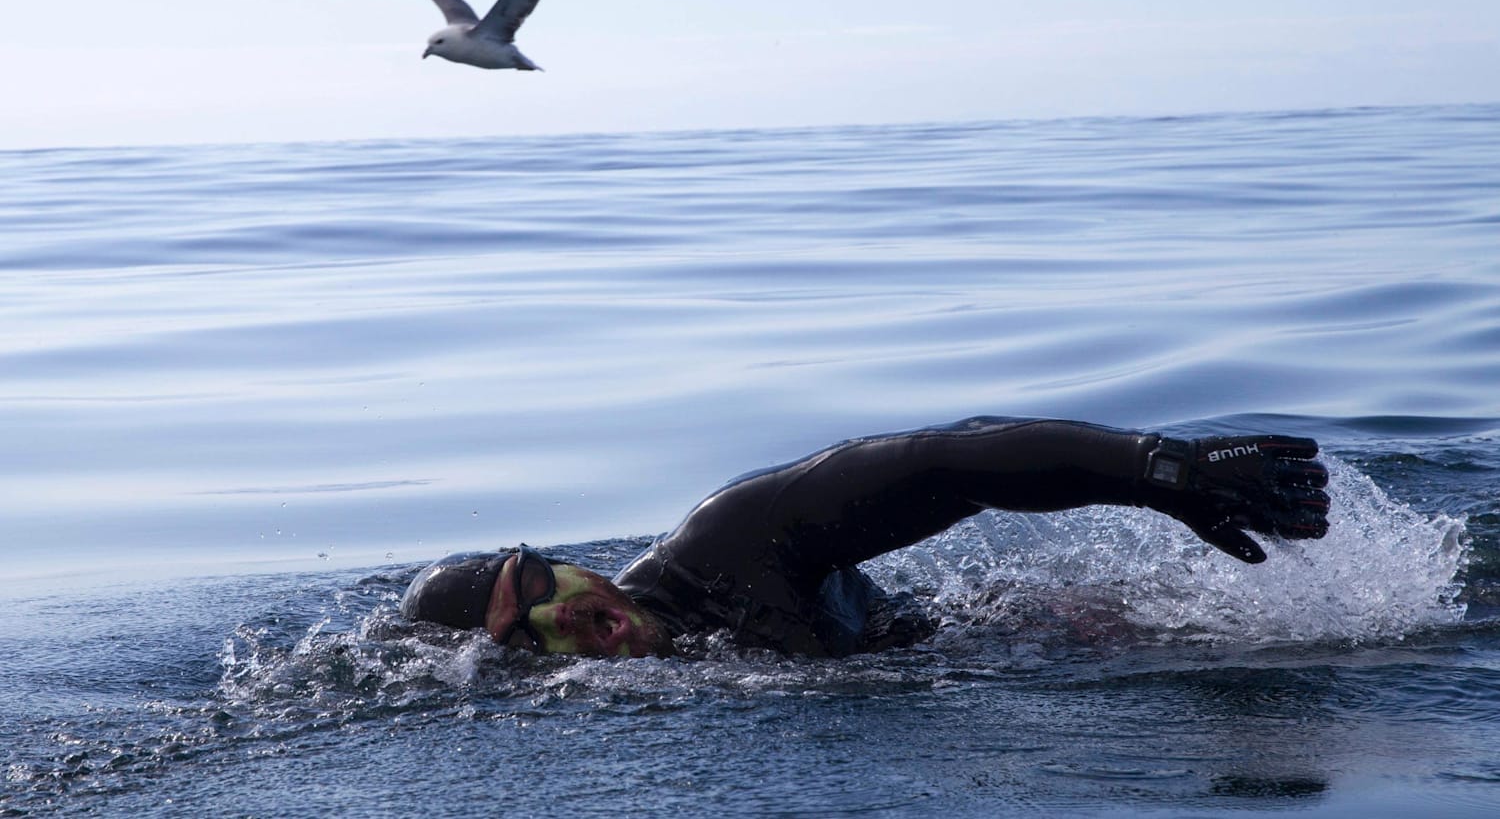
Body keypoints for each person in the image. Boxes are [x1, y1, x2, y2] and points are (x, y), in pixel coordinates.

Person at [400, 417, 1330, 658]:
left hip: (996, 637)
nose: (566, 609)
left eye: (543, 576)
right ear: (518, 665)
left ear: (574, 560)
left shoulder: (729, 546)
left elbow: (941, 464)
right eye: (528, 623)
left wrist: (1158, 473)